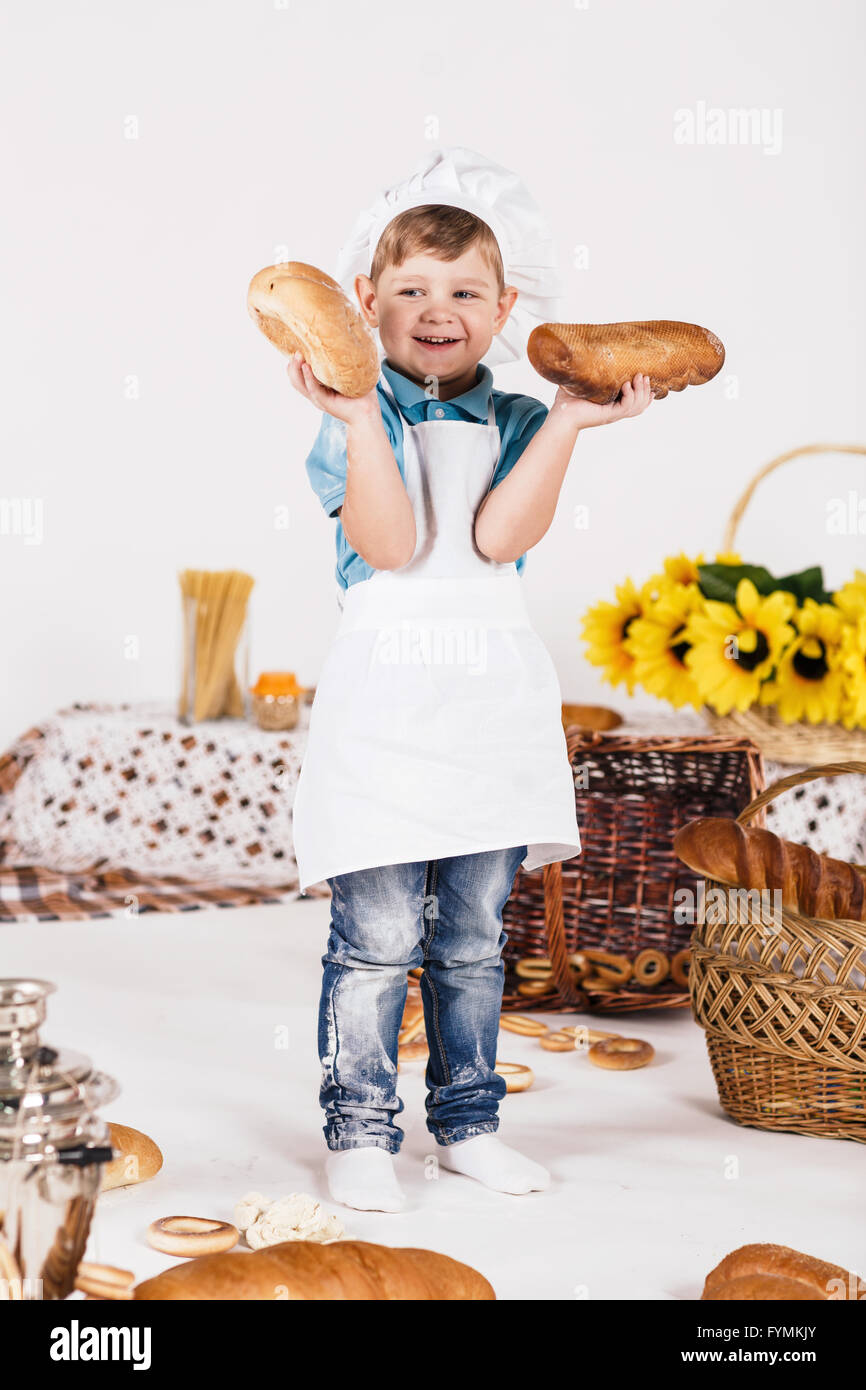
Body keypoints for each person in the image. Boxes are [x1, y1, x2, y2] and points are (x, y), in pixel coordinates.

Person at [289, 147, 652, 1213]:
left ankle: (469, 1122)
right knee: (376, 941)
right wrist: (359, 419)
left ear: (503, 309)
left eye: (461, 292)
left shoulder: (518, 422)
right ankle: (360, 1128)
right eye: (408, 290)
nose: (434, 310)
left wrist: (572, 423)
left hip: (486, 711)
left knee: (470, 938)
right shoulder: (351, 421)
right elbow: (395, 548)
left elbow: (496, 537)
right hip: (385, 711)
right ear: (364, 303)